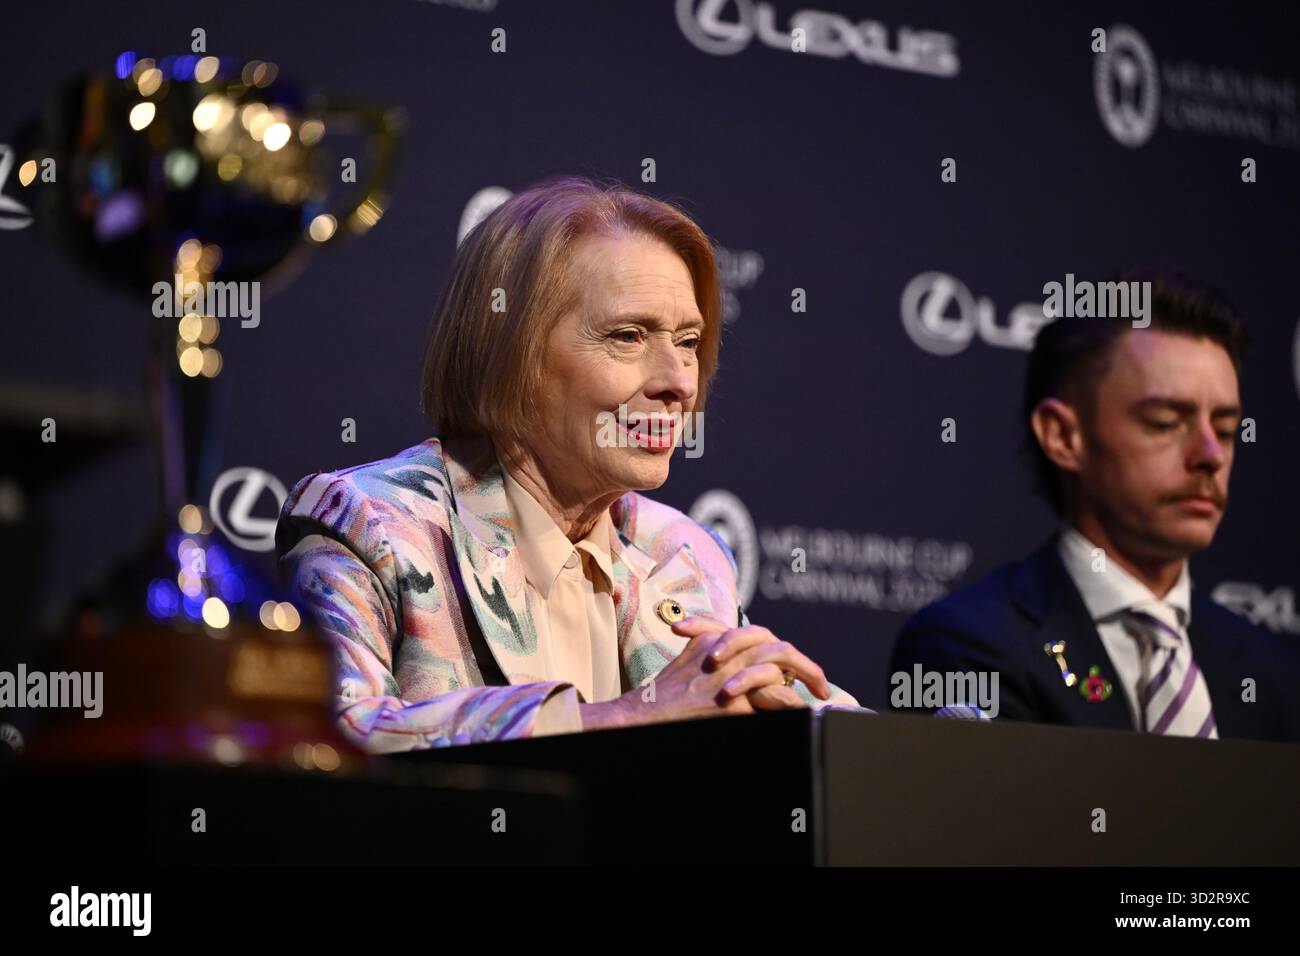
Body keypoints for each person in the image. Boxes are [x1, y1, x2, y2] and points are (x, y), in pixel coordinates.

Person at [276, 176, 860, 753]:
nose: (678, 382)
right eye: (629, 336)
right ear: (511, 354)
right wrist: (628, 718)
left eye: (687, 342)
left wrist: (805, 724)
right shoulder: (373, 523)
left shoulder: (683, 552)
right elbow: (330, 740)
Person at [891, 270, 1300, 742]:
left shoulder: (1275, 678)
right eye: (1166, 422)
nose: (1210, 455)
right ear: (1063, 435)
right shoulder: (968, 645)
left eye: (1226, 431)